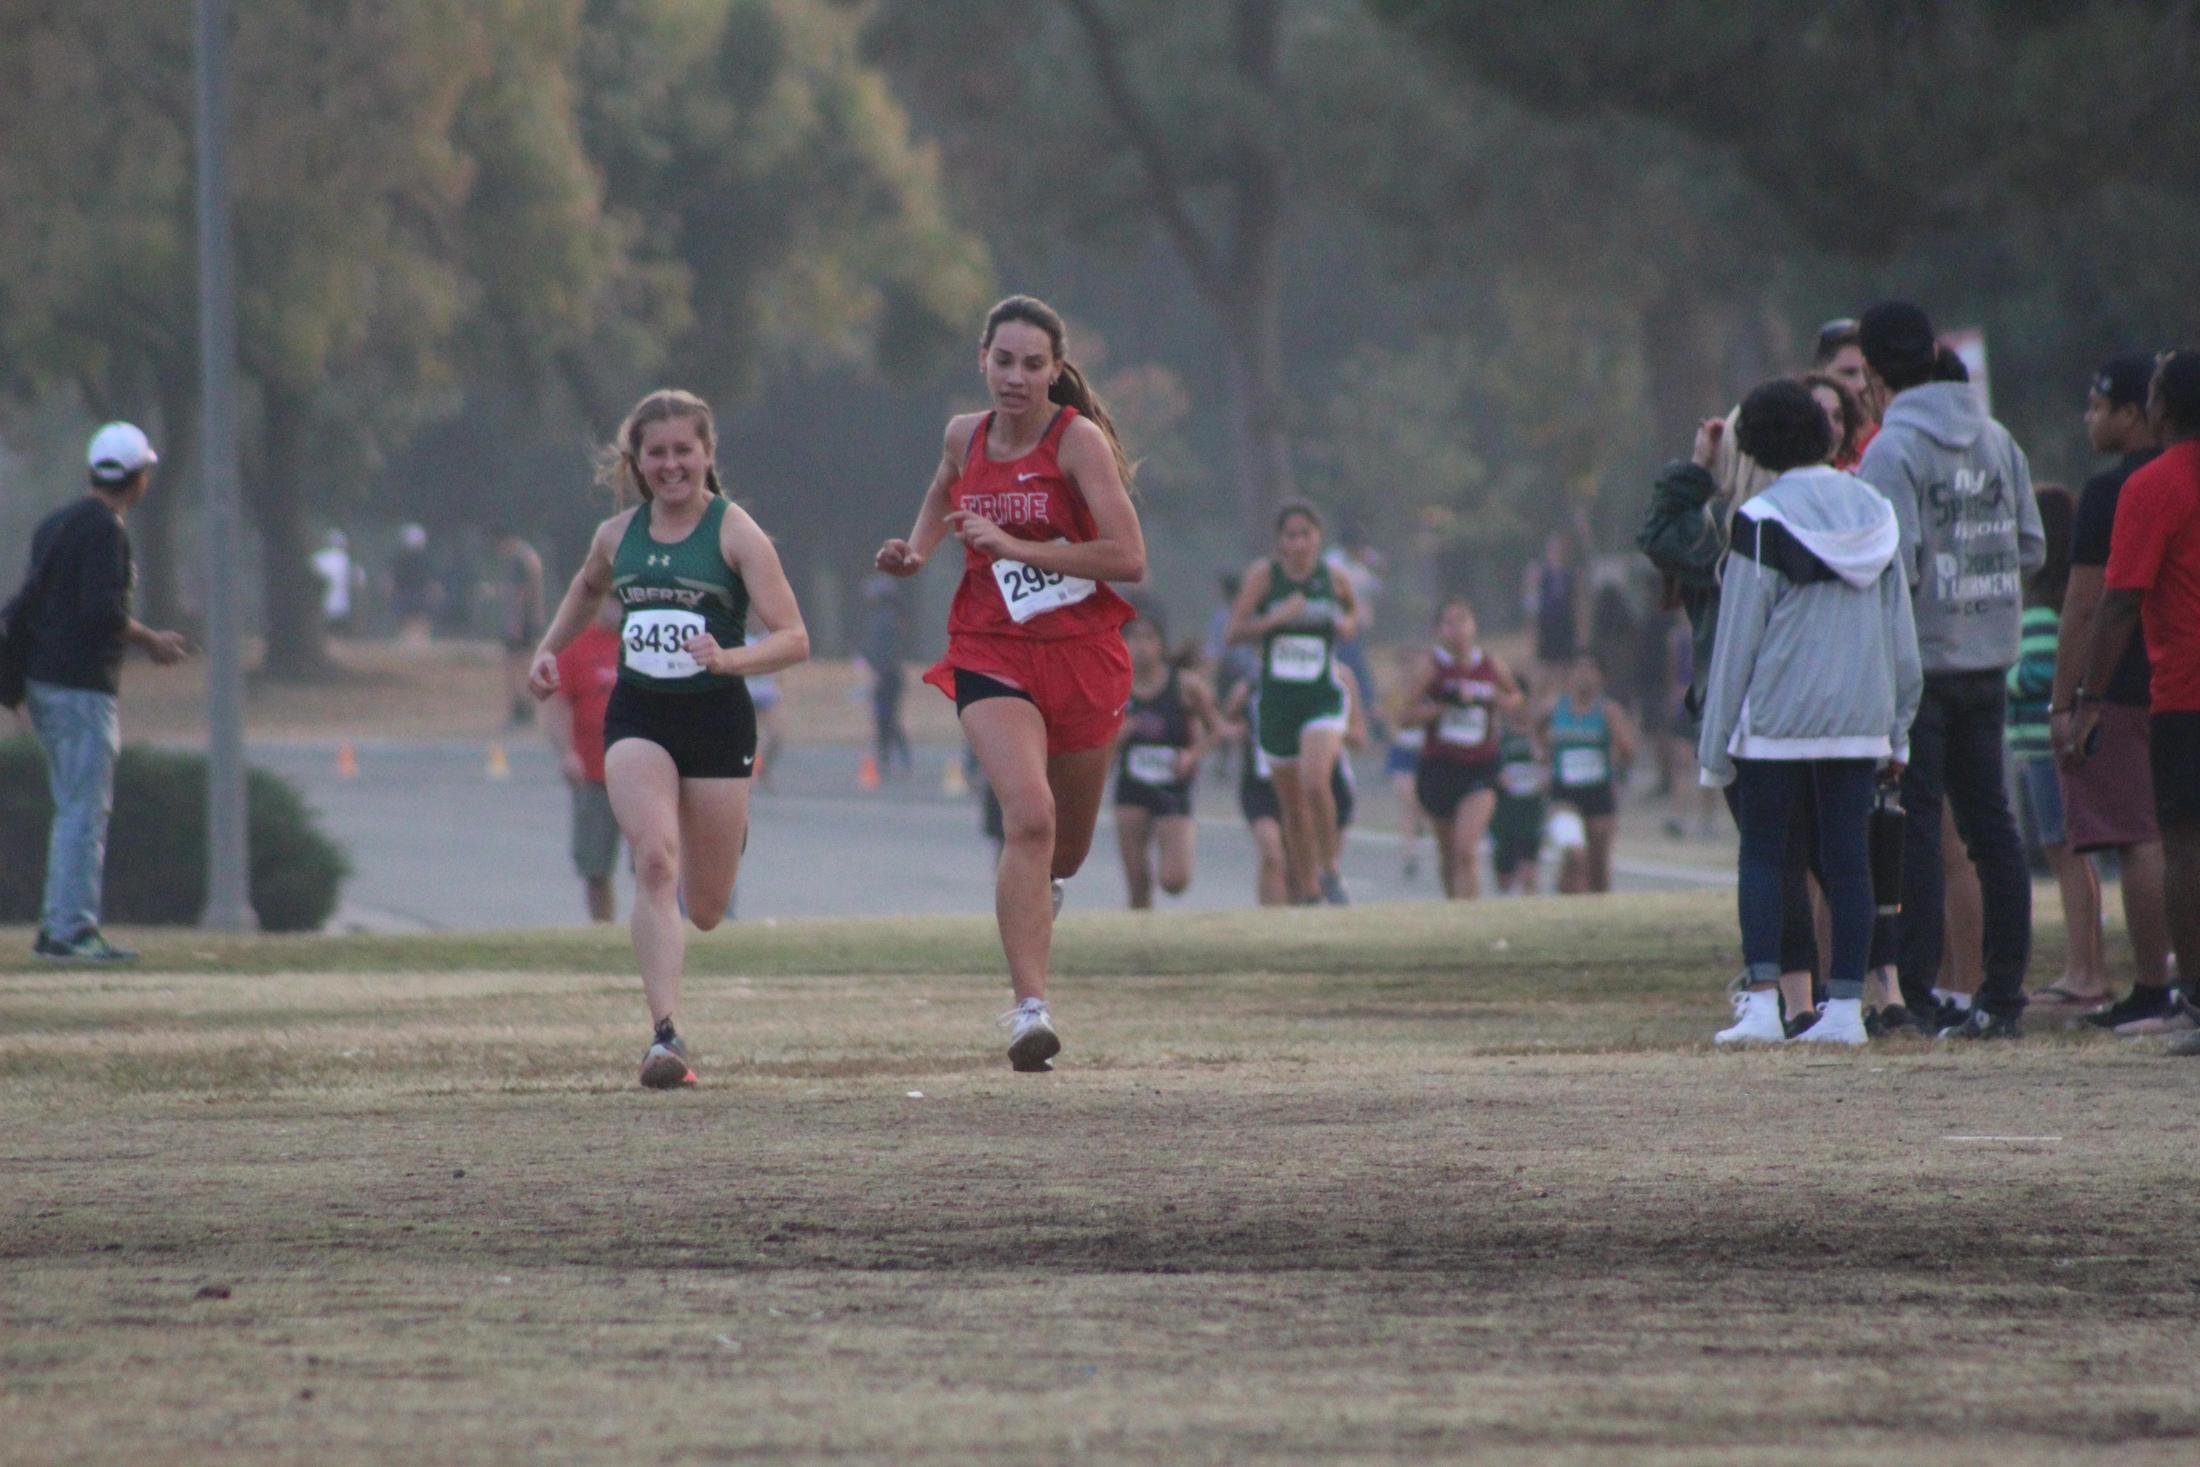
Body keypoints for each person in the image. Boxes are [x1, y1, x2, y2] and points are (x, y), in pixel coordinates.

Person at [874, 295, 1145, 1072]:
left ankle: (1041, 893)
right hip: (991, 649)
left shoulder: (1077, 442)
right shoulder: (965, 434)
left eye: (1033, 364)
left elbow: (1128, 558)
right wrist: (919, 551)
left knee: (1065, 850)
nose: (1016, 377)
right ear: (982, 361)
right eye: (1003, 361)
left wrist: (1023, 550)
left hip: (1082, 654)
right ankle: (1031, 1011)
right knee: (1029, 816)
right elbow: (942, 489)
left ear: (1056, 370)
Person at [530, 389, 809, 1089]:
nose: (671, 463)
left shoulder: (734, 531)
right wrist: (548, 649)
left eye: (684, 449)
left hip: (717, 719)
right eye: (656, 452)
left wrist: (729, 658)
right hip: (640, 717)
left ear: (708, 453)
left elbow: (794, 638)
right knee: (653, 860)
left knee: (708, 907)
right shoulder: (616, 535)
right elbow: (585, 588)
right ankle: (664, 1037)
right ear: (637, 459)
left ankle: (723, 829)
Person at [1698, 380, 1921, 1046]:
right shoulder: (1876, 512)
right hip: (1859, 717)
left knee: (1766, 858)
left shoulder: (1761, 520)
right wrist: (1899, 724)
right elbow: (1899, 633)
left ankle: (1765, 1005)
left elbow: (1737, 638)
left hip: (1775, 722)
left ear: (1757, 444)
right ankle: (1848, 1010)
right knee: (1850, 860)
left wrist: (1714, 748)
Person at [1855, 300, 2043, 1039]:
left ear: (1872, 374)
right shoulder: (1998, 438)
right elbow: (2029, 545)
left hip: (1924, 661)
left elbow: (1890, 567)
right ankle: (2002, 994)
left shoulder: (1890, 452)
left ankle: (1923, 992)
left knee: (1922, 825)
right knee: (1993, 825)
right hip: (1990, 655)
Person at [10, 423, 191, 962]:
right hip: (79, 689)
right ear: (137, 478)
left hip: (43, 681)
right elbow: (101, 615)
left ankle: (58, 928)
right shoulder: (107, 533)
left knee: (72, 807)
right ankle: (70, 932)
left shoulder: (56, 524)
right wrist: (152, 641)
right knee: (83, 812)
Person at [2069, 349, 2200, 1056]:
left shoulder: (2150, 487)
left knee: (2182, 847)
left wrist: (2087, 696)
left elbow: (2117, 602)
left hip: (2184, 692)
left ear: (2162, 408)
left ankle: (2195, 1001)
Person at [2048, 354, 2173, 1026]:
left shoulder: (2115, 491)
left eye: (2099, 406)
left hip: (2130, 684)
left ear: (2139, 412)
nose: (2089, 418)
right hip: (2181, 677)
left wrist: (2070, 699)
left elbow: (2091, 601)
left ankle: (2155, 986)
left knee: (2143, 836)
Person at [1226, 501, 1360, 906]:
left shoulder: (1333, 576)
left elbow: (1353, 616)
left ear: (1318, 537)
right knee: (1292, 805)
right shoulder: (1265, 577)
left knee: (1316, 780)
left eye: (1306, 533)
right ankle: (1307, 890)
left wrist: (1345, 625)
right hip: (1279, 702)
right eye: (1291, 535)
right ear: (1280, 542)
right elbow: (1233, 633)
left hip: (1321, 696)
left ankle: (1331, 869)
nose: (1299, 542)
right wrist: (1276, 618)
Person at [2006, 487, 2107, 1009]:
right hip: (2036, 752)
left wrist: (2002, 673)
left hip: (2046, 752)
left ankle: (2083, 967)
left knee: (2065, 853)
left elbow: (2042, 674)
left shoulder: (2044, 611)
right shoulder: (2050, 604)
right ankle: (2085, 964)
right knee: (2067, 852)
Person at [1397, 597, 1521, 900]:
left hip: (1481, 765)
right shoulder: (1431, 667)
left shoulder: (1490, 664)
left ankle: (1472, 919)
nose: (1458, 630)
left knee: (1466, 849)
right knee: (1449, 852)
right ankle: (1455, 911)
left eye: (1463, 621)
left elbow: (1516, 697)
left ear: (1474, 625)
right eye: (1450, 624)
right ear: (1439, 630)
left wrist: (1494, 699)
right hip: (1441, 766)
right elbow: (1404, 717)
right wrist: (1444, 706)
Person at [1112, 612, 1219, 909]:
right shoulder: (1115, 684)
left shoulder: (1185, 685)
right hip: (1132, 786)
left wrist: (1192, 755)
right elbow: (1096, 745)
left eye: (1149, 638)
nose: (1142, 646)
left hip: (1173, 785)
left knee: (1174, 880)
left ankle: (1171, 843)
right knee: (1136, 880)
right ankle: (1139, 943)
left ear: (1161, 645)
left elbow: (1217, 731)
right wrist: (1118, 737)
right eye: (1134, 638)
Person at [542, 598, 624, 923]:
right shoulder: (577, 645)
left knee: (655, 864)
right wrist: (567, 754)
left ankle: (652, 928)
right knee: (595, 866)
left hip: (642, 775)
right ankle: (603, 930)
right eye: (610, 598)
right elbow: (557, 703)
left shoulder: (642, 641)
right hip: (593, 773)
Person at [1542, 651, 1638, 895]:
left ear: (1601, 677)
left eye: (1590, 669)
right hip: (1564, 794)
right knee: (1574, 856)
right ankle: (1563, 909)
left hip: (1599, 792)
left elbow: (1628, 751)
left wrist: (1619, 757)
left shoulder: (1608, 711)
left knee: (1598, 868)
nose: (1583, 675)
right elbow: (1533, 727)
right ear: (1569, 675)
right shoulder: (1554, 706)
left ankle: (1599, 918)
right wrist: (1540, 753)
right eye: (1578, 668)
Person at [1490, 690, 1548, 895]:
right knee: (1504, 880)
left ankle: (1531, 910)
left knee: (1528, 872)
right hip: (1505, 816)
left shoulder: (1539, 737)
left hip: (1532, 813)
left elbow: (1549, 765)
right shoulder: (1498, 738)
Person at [859, 571, 914, 781]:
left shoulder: (885, 620)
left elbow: (884, 651)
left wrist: (878, 673)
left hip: (887, 678)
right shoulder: (890, 618)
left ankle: (894, 760)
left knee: (887, 719)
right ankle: (890, 760)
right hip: (889, 677)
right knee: (885, 719)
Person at [497, 533, 546, 726]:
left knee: (513, 663)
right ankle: (528, 707)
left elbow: (520, 593)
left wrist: (514, 623)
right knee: (527, 663)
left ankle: (520, 707)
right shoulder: (530, 555)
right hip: (532, 620)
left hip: (521, 621)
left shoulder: (518, 558)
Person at [1525, 530, 1583, 690]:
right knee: (1546, 666)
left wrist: (1579, 630)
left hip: (1565, 624)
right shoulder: (1540, 573)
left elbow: (1577, 603)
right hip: (1547, 624)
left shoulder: (1571, 574)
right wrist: (1533, 627)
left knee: (1566, 666)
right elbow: (1532, 601)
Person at [310, 529, 363, 636]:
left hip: (321, 605)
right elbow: (360, 581)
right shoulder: (347, 560)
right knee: (339, 632)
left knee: (324, 632)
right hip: (343, 607)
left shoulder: (319, 559)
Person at [390, 523, 437, 644]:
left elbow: (430, 579)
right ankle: (414, 642)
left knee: (417, 619)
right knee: (413, 619)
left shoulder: (403, 558)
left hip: (413, 593)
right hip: (409, 593)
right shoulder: (403, 559)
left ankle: (417, 642)